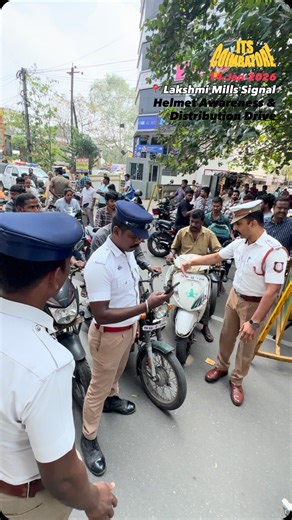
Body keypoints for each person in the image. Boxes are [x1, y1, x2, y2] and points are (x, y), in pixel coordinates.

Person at [0, 212, 118, 520]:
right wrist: (96, 500)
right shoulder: (46, 364)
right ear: (56, 276)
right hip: (24, 501)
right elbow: (61, 477)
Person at [81, 201, 173, 476]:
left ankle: (113, 400)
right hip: (109, 334)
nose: (138, 242)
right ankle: (88, 438)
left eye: (140, 238)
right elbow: (102, 314)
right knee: (98, 385)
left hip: (129, 329)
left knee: (117, 375)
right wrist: (147, 306)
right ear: (117, 229)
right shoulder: (99, 263)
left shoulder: (127, 250)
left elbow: (130, 288)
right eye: (134, 236)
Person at [181, 201, 288, 406]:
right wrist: (190, 261)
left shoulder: (274, 251)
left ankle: (237, 381)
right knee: (226, 337)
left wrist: (254, 322)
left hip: (255, 305)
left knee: (246, 348)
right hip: (234, 297)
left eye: (239, 224)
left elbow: (272, 291)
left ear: (254, 223)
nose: (235, 228)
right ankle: (221, 367)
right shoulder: (240, 243)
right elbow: (217, 256)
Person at [166, 209, 222, 342]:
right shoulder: (182, 232)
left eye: (197, 222)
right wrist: (171, 254)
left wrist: (218, 259)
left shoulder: (209, 234)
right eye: (192, 221)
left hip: (201, 271)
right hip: (182, 269)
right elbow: (174, 247)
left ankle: (205, 325)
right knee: (169, 288)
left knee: (205, 299)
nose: (193, 224)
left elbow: (218, 250)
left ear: (202, 222)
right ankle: (165, 312)